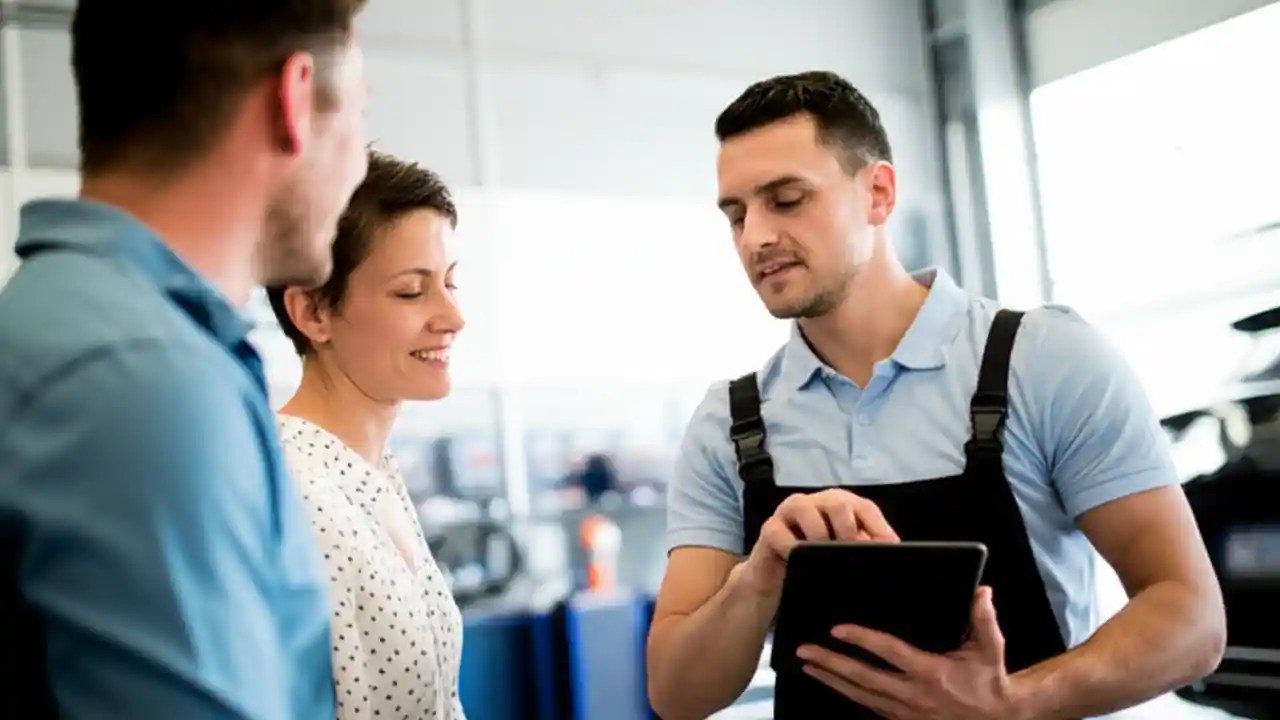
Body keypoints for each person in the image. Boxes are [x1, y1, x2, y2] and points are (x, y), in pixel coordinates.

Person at [645, 70, 1227, 719]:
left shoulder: (1044, 361)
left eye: (786, 199)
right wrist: (754, 582)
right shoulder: (728, 425)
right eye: (736, 214)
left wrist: (1012, 703)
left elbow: (1190, 617)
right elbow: (676, 693)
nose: (755, 237)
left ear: (878, 193)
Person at [0, 2, 369, 718]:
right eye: (358, 113)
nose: (358, 162)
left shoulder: (79, 328)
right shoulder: (143, 381)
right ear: (294, 101)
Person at [266, 150, 467, 720]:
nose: (453, 317)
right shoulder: (300, 494)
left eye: (451, 283)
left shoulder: (370, 476)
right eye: (412, 291)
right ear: (312, 312)